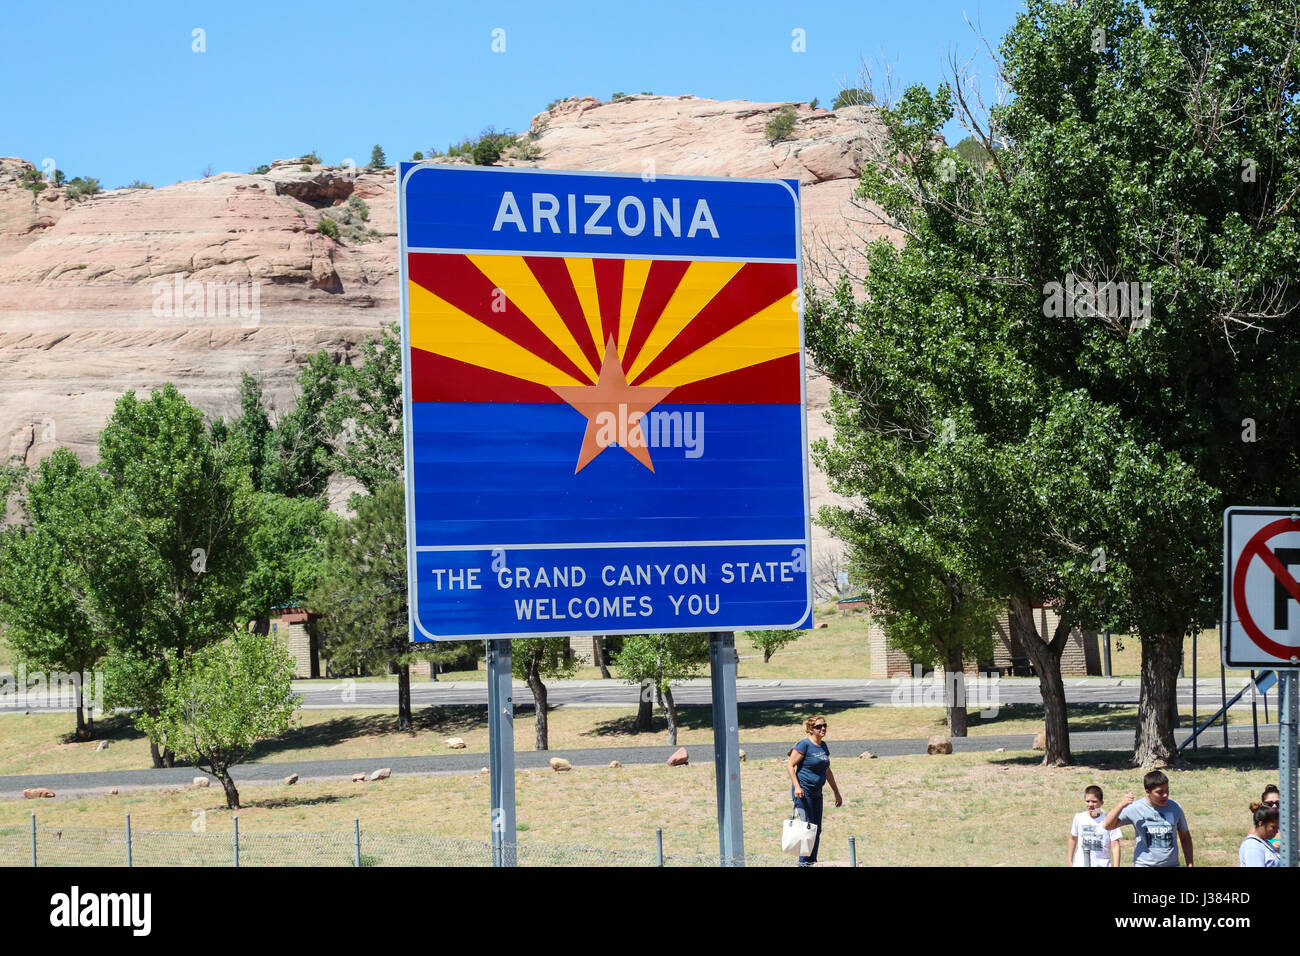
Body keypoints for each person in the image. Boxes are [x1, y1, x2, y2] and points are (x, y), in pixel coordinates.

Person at [1103, 770, 1193, 867]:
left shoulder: (1175, 808)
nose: (1165, 795)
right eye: (1160, 792)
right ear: (1148, 792)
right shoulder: (1136, 808)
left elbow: (1185, 837)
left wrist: (1190, 863)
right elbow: (1108, 826)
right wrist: (1121, 805)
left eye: (1167, 790)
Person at [786, 714, 842, 866]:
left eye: (824, 725)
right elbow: (790, 765)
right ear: (811, 729)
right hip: (803, 793)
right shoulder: (804, 745)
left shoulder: (823, 746)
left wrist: (836, 792)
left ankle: (812, 862)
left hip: (817, 793)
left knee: (816, 831)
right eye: (818, 726)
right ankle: (803, 864)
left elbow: (827, 771)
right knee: (806, 830)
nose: (823, 728)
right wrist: (797, 787)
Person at [1068, 785, 1122, 867]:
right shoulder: (1079, 818)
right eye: (1087, 801)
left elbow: (1115, 845)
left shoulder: (1110, 820)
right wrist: (1070, 861)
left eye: (1094, 801)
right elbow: (1073, 838)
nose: (1090, 804)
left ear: (1101, 803)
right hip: (1081, 864)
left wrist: (1116, 865)